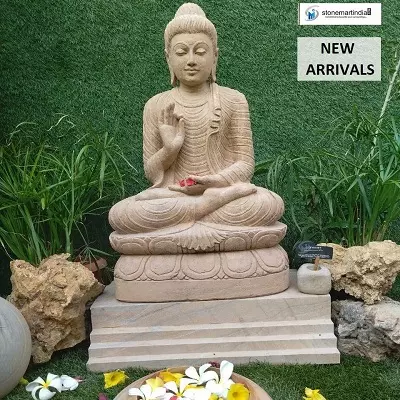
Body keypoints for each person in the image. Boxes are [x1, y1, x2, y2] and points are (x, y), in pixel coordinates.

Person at [109, 3, 284, 235]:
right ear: (168, 58)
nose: (191, 60)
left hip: (220, 190)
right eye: (181, 52)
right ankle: (207, 207)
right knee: (123, 214)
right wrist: (169, 149)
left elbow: (245, 164)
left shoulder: (234, 100)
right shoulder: (156, 105)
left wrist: (215, 181)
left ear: (215, 56)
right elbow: (152, 173)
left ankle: (203, 208)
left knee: (267, 204)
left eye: (200, 52)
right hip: (173, 195)